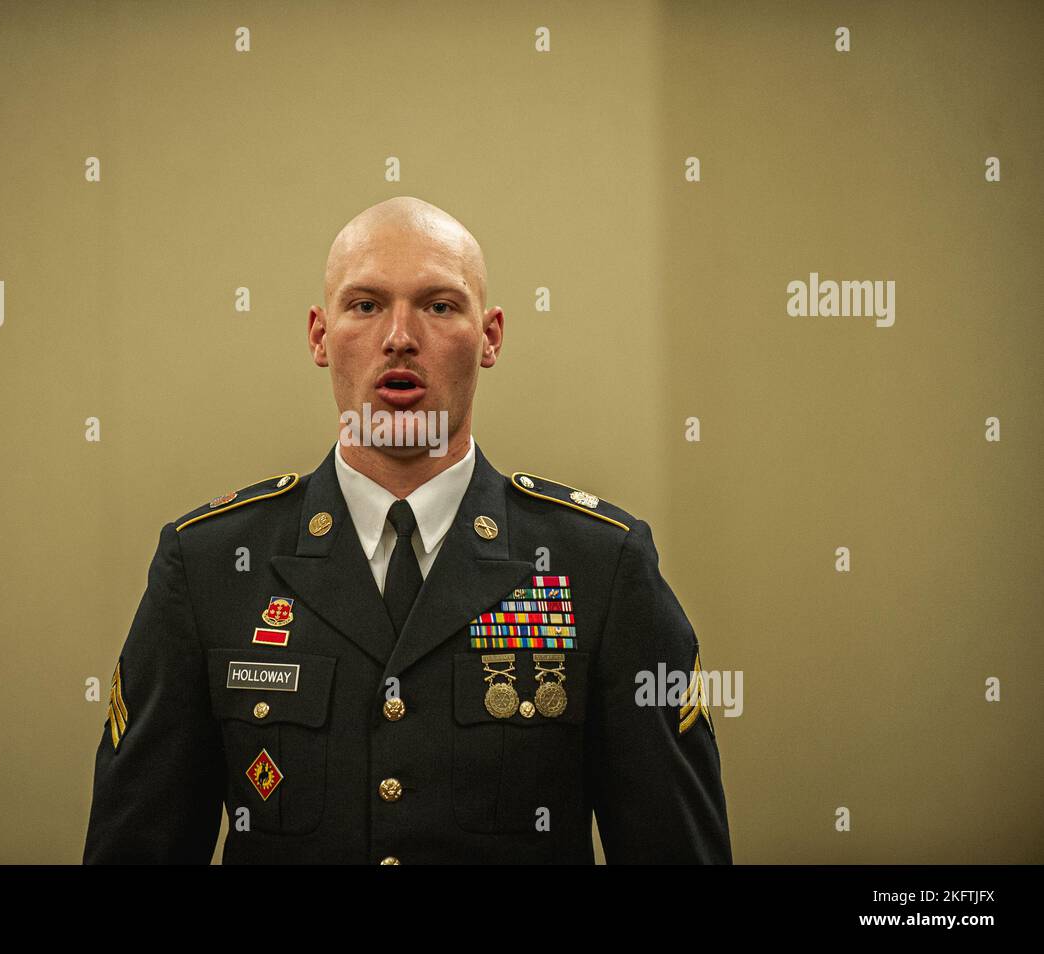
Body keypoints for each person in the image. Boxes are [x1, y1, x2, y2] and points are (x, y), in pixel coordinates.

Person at [82, 196, 733, 864]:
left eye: (440, 305)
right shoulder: (211, 566)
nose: (399, 336)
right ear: (318, 334)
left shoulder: (600, 567)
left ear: (491, 337)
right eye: (364, 305)